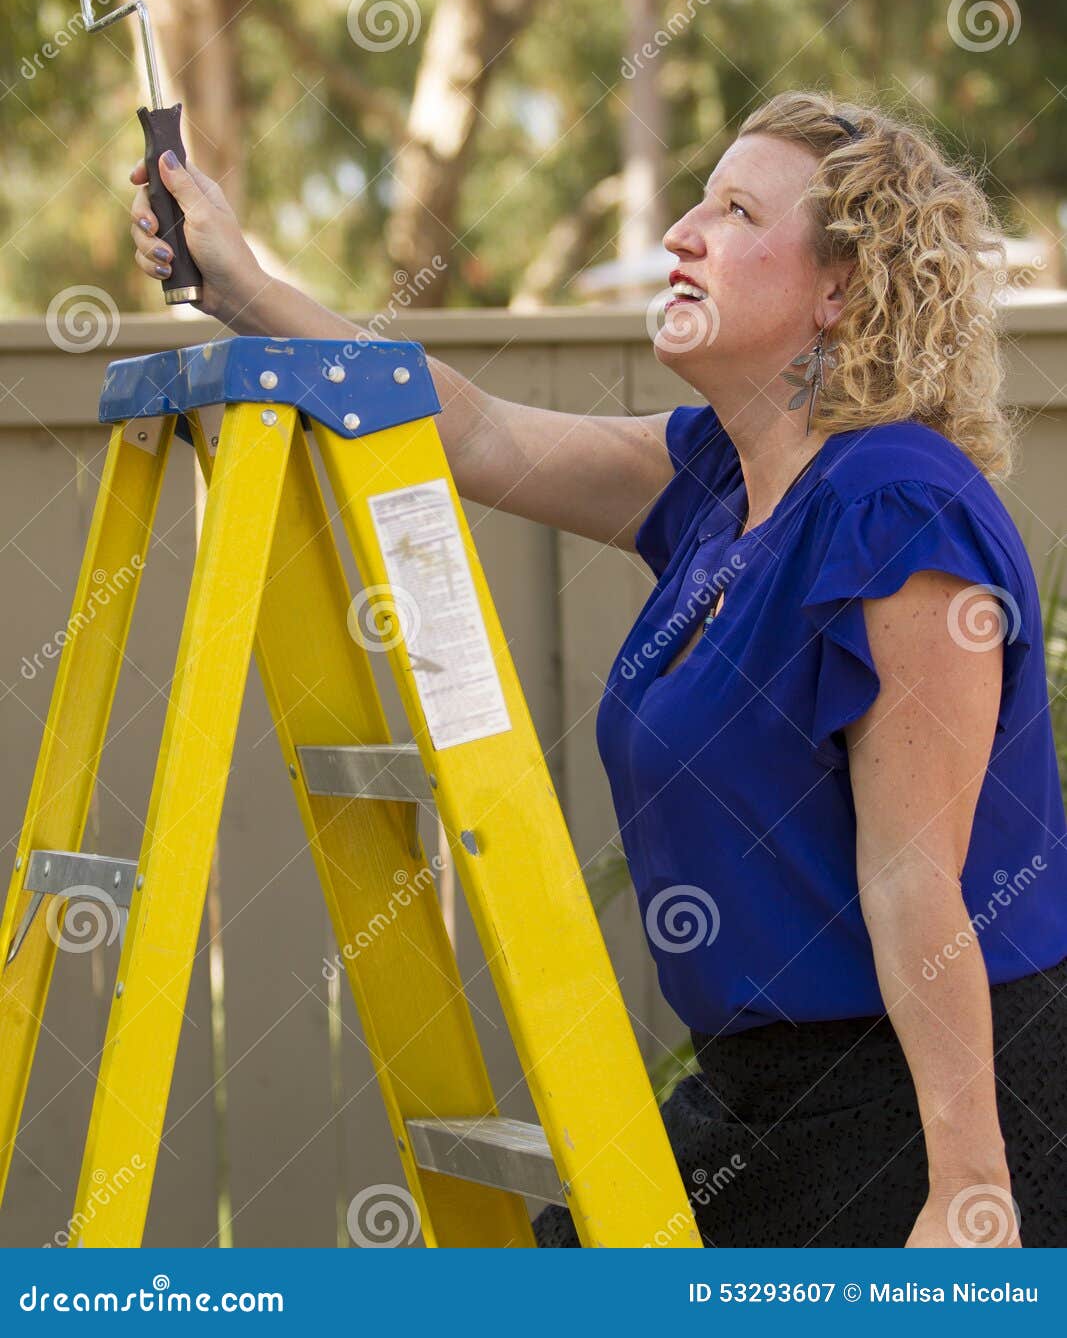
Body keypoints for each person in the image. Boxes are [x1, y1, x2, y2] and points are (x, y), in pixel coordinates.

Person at [129, 89, 1067, 1249]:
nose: (680, 231)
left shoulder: (896, 508)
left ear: (838, 289)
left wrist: (967, 1190)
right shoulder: (721, 484)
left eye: (733, 211)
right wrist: (245, 284)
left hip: (918, 1114)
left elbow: (914, 886)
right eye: (696, 198)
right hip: (762, 1094)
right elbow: (474, 434)